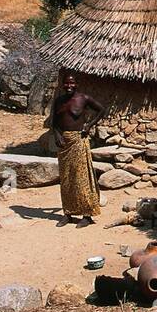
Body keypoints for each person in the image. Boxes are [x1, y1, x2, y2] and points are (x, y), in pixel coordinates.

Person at [49, 73, 106, 226]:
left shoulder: (84, 99)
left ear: (77, 85)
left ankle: (87, 215)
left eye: (72, 83)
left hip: (79, 140)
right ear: (63, 85)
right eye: (66, 83)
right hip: (64, 143)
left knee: (82, 178)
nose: (69, 86)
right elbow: (54, 122)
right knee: (66, 178)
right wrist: (57, 135)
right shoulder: (59, 101)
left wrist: (89, 125)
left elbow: (101, 110)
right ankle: (68, 213)